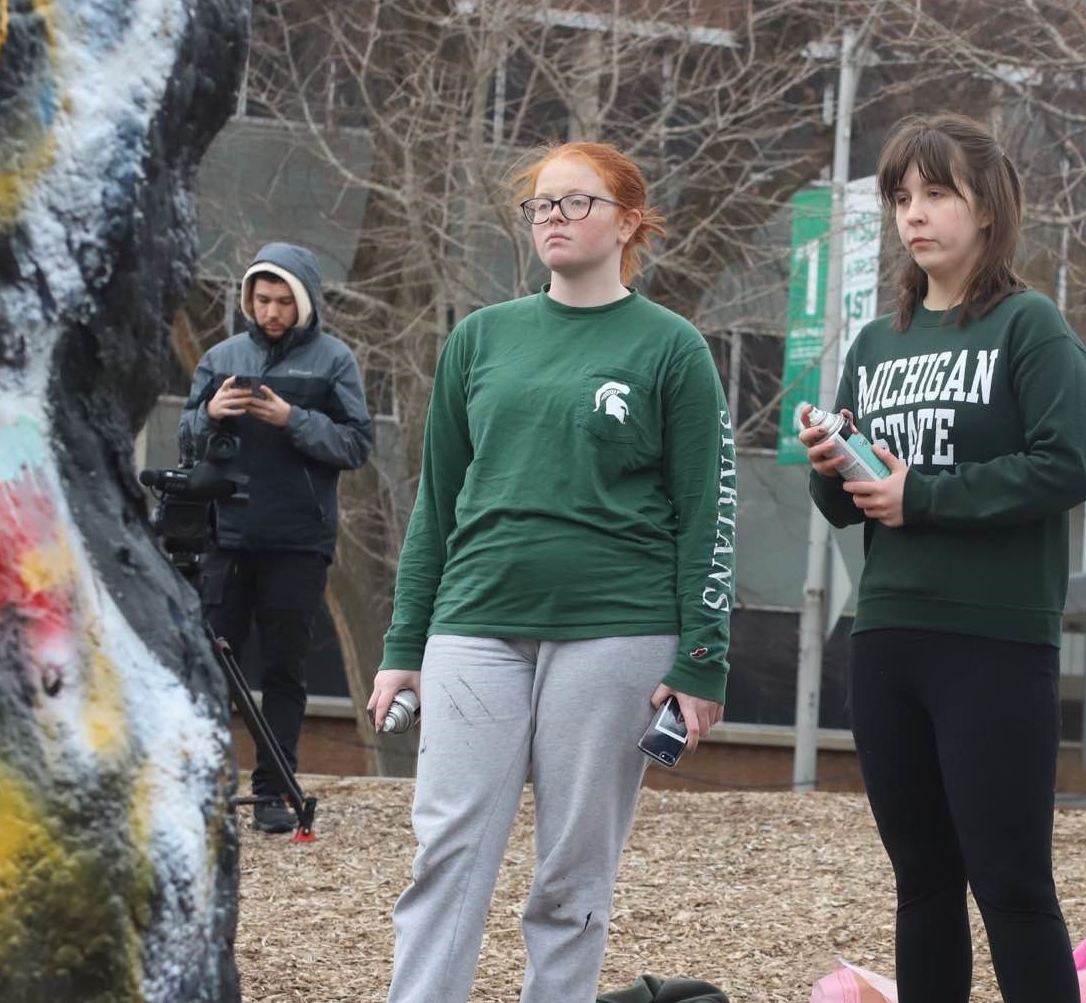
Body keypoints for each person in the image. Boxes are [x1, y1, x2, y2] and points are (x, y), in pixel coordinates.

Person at [370, 141, 735, 1003]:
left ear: (629, 222)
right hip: (474, 622)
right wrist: (403, 644)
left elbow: (709, 512)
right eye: (542, 205)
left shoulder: (672, 347)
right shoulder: (479, 338)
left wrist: (703, 657)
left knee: (574, 871)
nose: (554, 218)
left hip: (618, 630)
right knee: (447, 852)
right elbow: (436, 503)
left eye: (577, 202)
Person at [802, 113, 1086, 1003]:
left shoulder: (1029, 326)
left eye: (937, 193)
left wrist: (923, 495)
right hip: (889, 634)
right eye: (901, 197)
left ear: (988, 206)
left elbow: (1067, 465)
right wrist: (833, 466)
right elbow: (847, 505)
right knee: (922, 884)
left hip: (994, 641)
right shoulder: (876, 343)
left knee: (1011, 885)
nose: (915, 214)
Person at [179, 242, 374, 833]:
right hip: (226, 536)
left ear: (305, 301)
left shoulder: (334, 360)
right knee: (212, 669)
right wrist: (211, 413)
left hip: (298, 541)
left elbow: (356, 445)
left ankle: (274, 792)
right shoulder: (221, 357)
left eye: (283, 301)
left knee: (285, 672)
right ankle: (206, 793)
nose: (270, 311)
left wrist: (293, 420)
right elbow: (186, 440)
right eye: (261, 299)